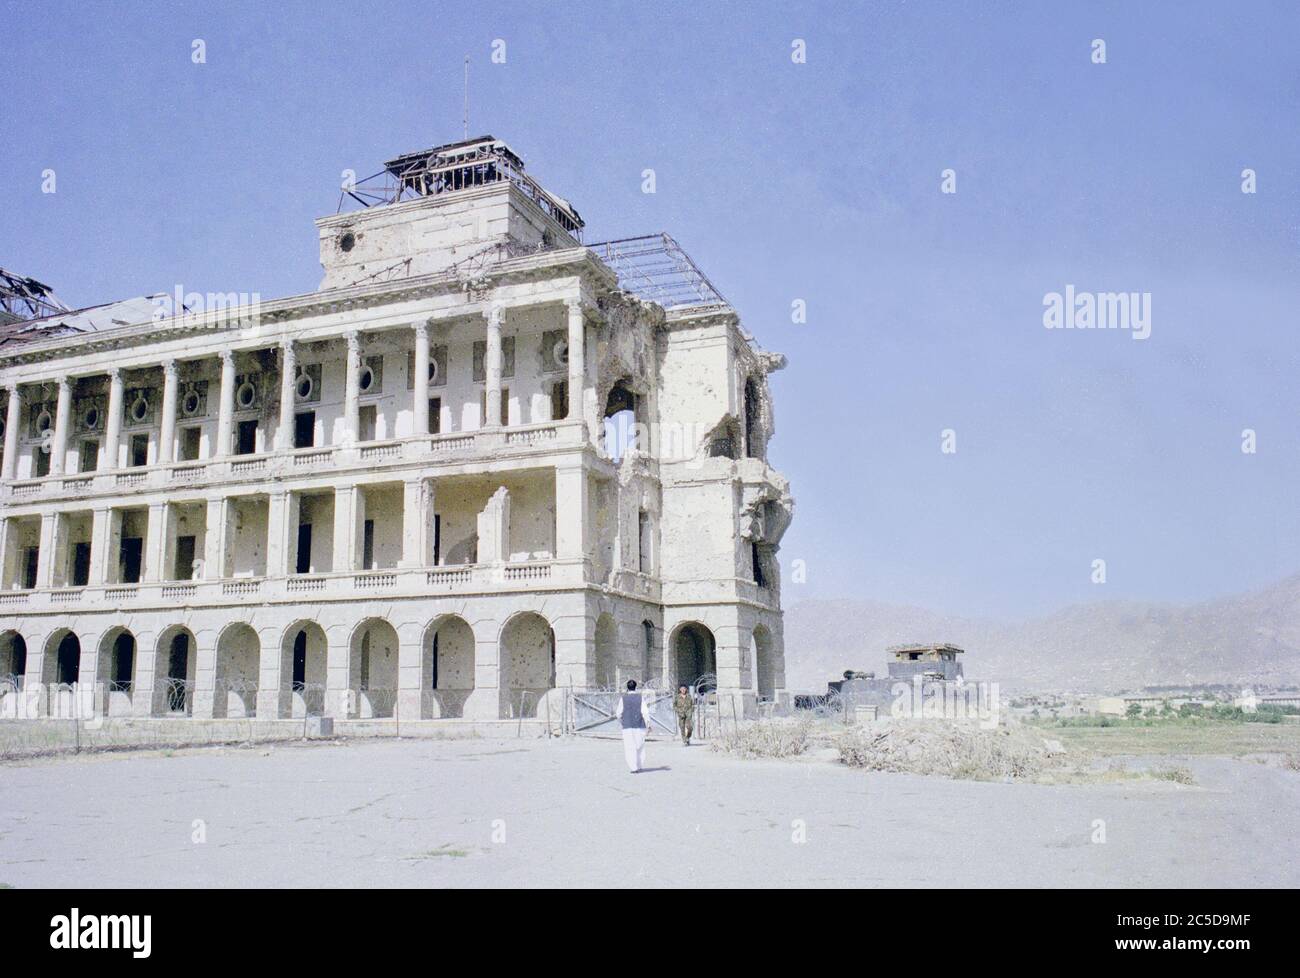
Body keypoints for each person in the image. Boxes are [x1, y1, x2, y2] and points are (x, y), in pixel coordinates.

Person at [615, 679, 652, 773]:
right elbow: (645, 712)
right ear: (636, 687)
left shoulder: (623, 698)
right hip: (639, 725)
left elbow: (618, 713)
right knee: (640, 746)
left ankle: (633, 767)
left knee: (629, 746)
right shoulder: (640, 698)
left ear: (627, 687)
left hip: (627, 726)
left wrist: (622, 721)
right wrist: (648, 724)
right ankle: (639, 765)